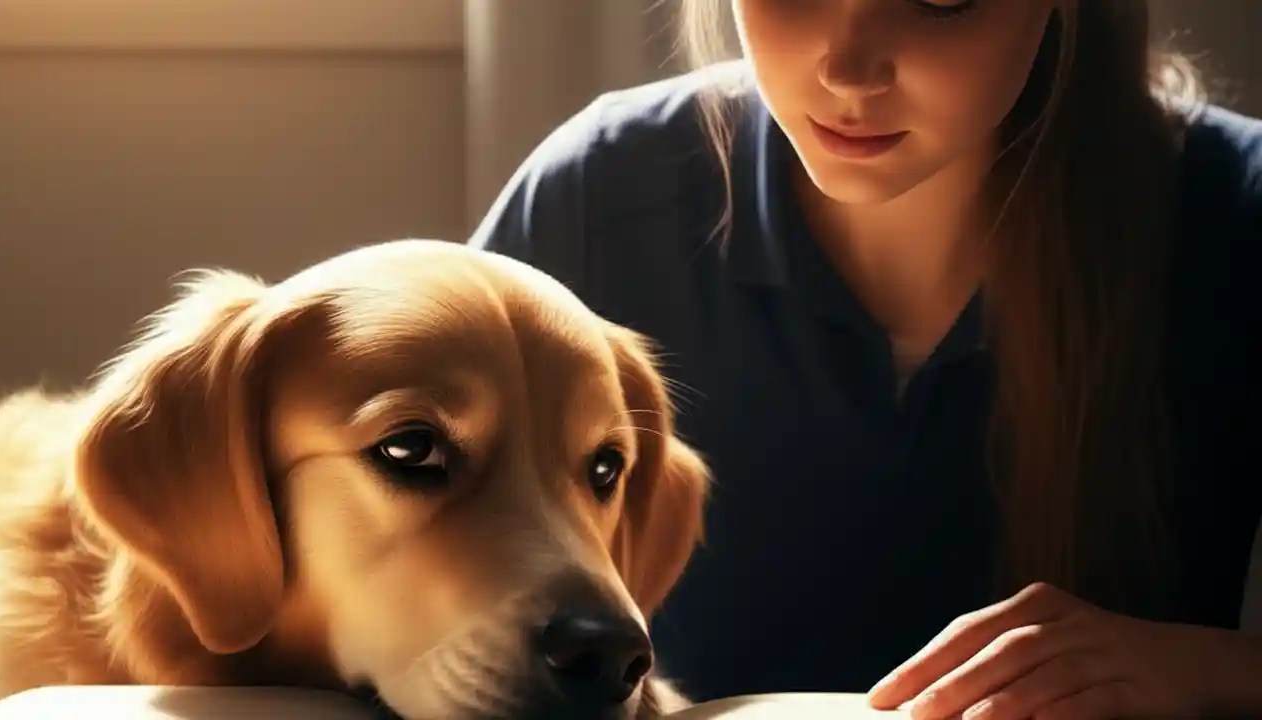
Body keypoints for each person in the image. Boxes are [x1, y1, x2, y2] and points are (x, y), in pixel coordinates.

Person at [469, 1, 1262, 717]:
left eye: (941, 0)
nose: (847, 70)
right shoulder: (597, 196)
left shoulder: (1235, 215)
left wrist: (1200, 667)